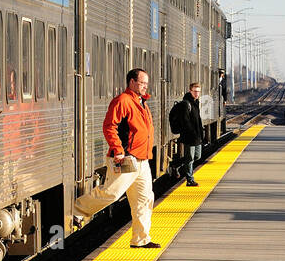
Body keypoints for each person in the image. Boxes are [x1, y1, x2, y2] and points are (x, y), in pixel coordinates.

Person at [73, 68, 160, 248]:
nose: (145, 86)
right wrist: (118, 150)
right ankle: (76, 210)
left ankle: (141, 239)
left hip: (142, 160)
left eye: (146, 83)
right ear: (132, 82)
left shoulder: (142, 102)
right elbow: (109, 127)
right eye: (142, 83)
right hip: (126, 158)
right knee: (111, 193)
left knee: (144, 199)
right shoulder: (122, 101)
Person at [170, 82, 204, 186]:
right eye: (195, 91)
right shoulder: (186, 104)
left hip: (197, 135)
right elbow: (185, 121)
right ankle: (190, 180)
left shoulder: (196, 102)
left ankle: (176, 165)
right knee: (190, 158)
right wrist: (192, 133)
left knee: (197, 156)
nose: (197, 94)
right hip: (189, 136)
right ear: (190, 91)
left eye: (198, 92)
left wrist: (200, 133)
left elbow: (198, 119)